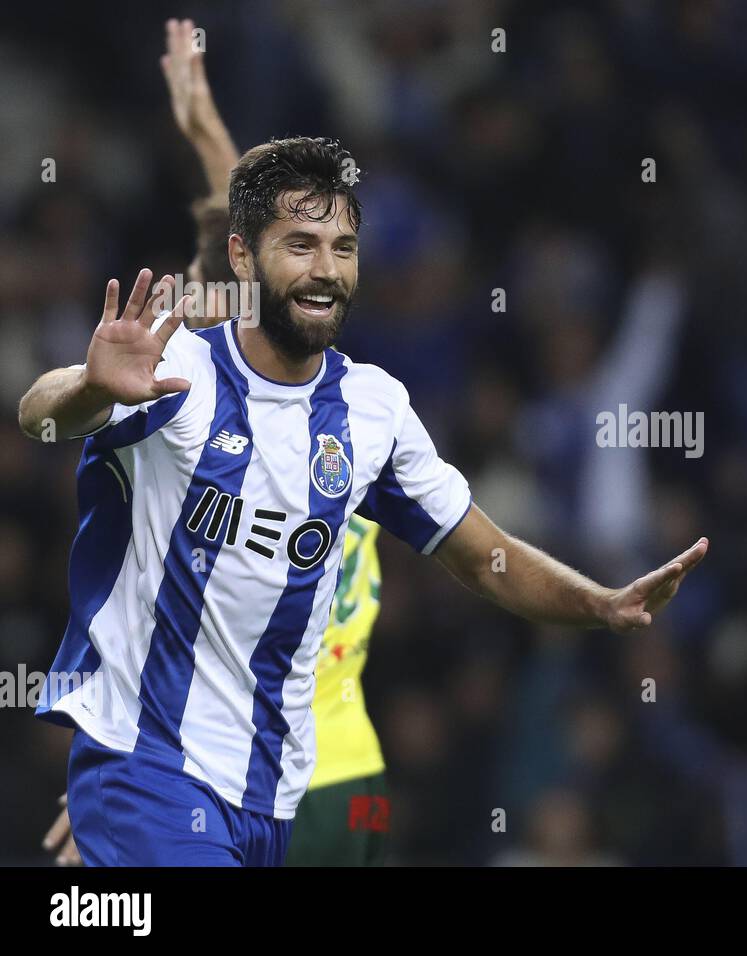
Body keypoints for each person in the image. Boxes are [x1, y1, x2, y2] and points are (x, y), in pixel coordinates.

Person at [20, 128, 708, 865]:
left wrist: (599, 604)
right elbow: (39, 411)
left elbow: (487, 559)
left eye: (342, 247)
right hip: (146, 765)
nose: (326, 270)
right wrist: (90, 385)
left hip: (271, 797)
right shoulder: (182, 371)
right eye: (301, 245)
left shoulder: (372, 411)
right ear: (244, 255)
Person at [41, 18, 398, 867]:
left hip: (244, 772)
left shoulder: (230, 390)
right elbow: (246, 232)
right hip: (353, 784)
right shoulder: (358, 416)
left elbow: (244, 241)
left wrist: (130, 781)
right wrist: (206, 131)